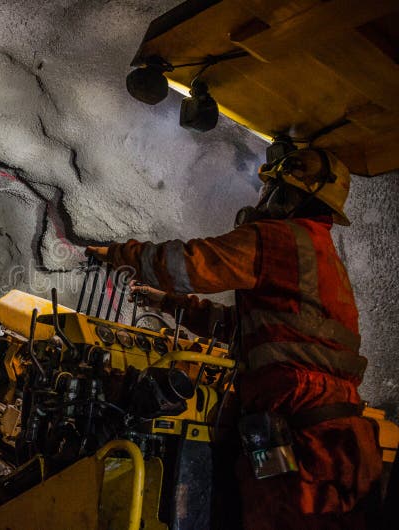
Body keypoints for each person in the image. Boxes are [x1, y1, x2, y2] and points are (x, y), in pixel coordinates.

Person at [86, 148, 383, 529]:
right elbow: (252, 329)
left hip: (298, 434)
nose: (262, 198)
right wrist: (172, 305)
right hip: (333, 436)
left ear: (289, 194)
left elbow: (190, 264)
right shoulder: (321, 255)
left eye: (271, 188)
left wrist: (118, 254)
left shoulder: (279, 239)